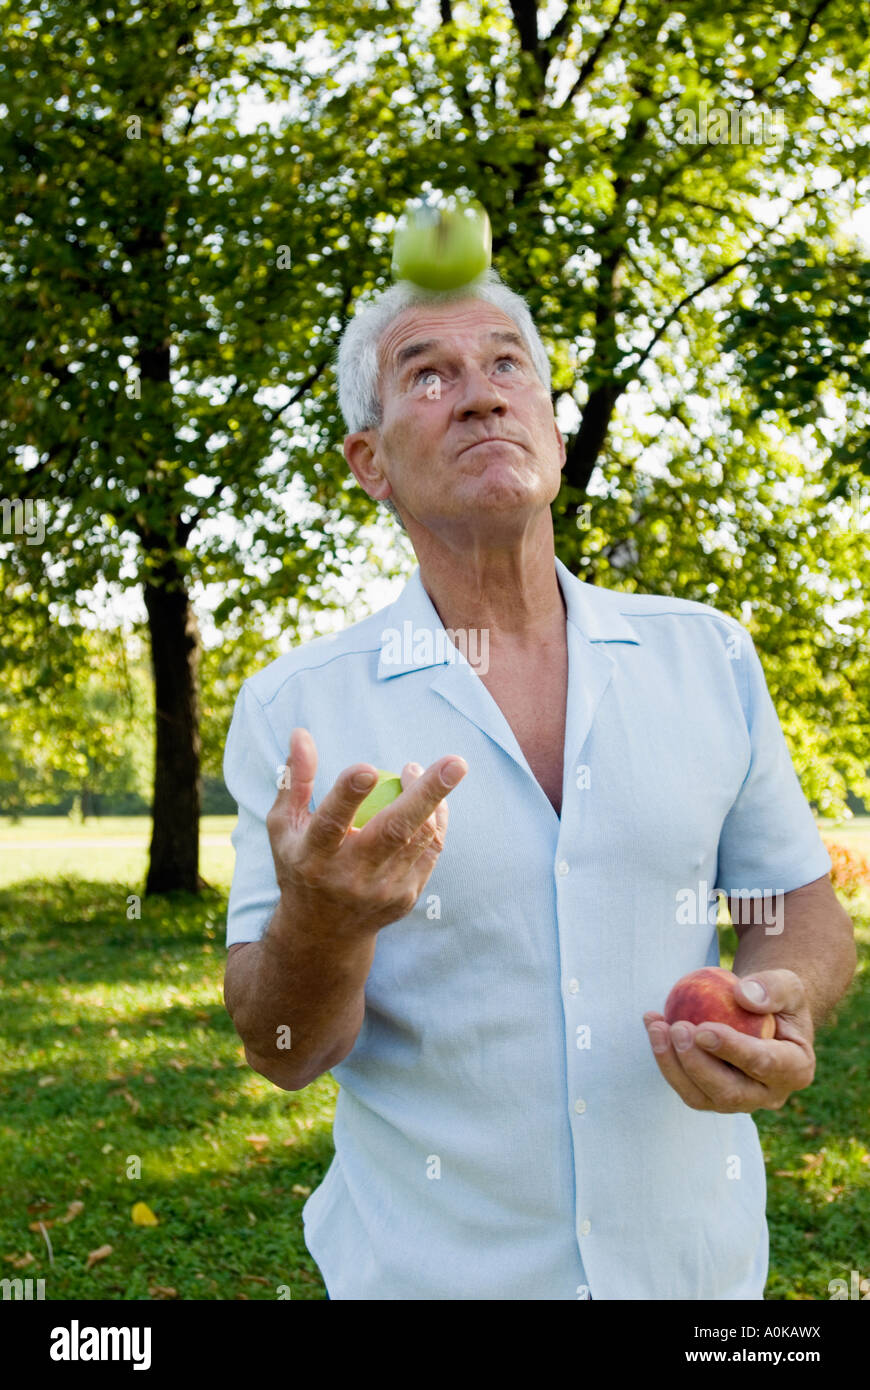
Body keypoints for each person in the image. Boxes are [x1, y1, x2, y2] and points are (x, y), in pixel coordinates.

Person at [222, 268, 856, 1300]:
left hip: (699, 1279)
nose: (480, 393)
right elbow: (281, 1047)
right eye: (428, 375)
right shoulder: (298, 709)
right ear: (368, 463)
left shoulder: (709, 656)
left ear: (555, 435)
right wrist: (327, 920)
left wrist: (789, 999)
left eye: (507, 364)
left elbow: (798, 913)